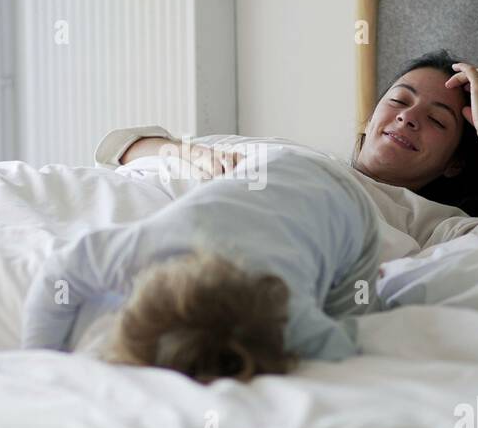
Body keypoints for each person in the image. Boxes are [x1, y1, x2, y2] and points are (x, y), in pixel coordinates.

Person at [95, 50, 478, 251]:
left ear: (455, 163)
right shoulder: (277, 148)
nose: (408, 117)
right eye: (399, 100)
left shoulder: (428, 223)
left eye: (437, 120)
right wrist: (188, 154)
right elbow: (119, 146)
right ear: (371, 118)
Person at [20, 147, 384, 382]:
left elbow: (343, 347)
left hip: (353, 207)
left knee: (358, 312)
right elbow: (59, 274)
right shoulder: (146, 247)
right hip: (270, 166)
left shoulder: (297, 319)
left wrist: (40, 363)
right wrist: (38, 360)